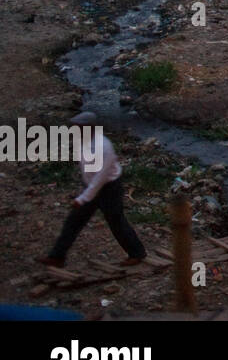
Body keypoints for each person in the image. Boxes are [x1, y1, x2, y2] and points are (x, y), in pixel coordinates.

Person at [38, 112, 147, 269]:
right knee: (73, 221)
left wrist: (83, 198)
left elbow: (100, 178)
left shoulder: (103, 146)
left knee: (116, 222)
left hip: (109, 188)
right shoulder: (84, 141)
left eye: (78, 127)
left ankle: (137, 253)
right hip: (92, 187)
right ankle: (57, 256)